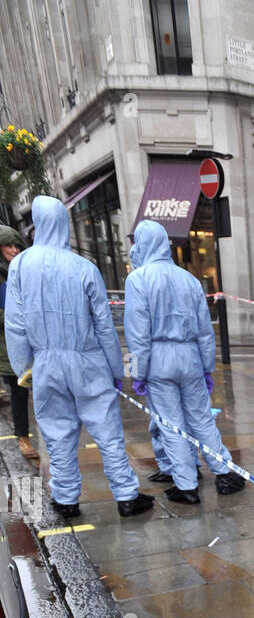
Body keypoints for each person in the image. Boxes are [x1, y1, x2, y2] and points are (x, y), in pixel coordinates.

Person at [4, 196, 152, 519]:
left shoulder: (20, 266)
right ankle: (126, 495)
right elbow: (104, 326)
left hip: (45, 362)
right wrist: (116, 369)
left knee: (56, 433)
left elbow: (15, 324)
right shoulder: (85, 268)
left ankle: (66, 498)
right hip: (88, 361)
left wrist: (24, 367)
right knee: (108, 432)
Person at [124, 219, 244, 504]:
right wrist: (207, 368)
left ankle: (186, 484)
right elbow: (205, 330)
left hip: (158, 360)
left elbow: (137, 333)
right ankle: (224, 472)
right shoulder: (189, 279)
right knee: (202, 418)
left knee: (170, 423)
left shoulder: (137, 279)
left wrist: (136, 372)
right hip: (190, 357)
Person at [0, 224, 37, 460]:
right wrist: (16, 318)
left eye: (16, 245)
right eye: (8, 245)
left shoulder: (24, 269)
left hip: (32, 341)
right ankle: (22, 437)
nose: (13, 249)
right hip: (7, 346)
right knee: (18, 391)